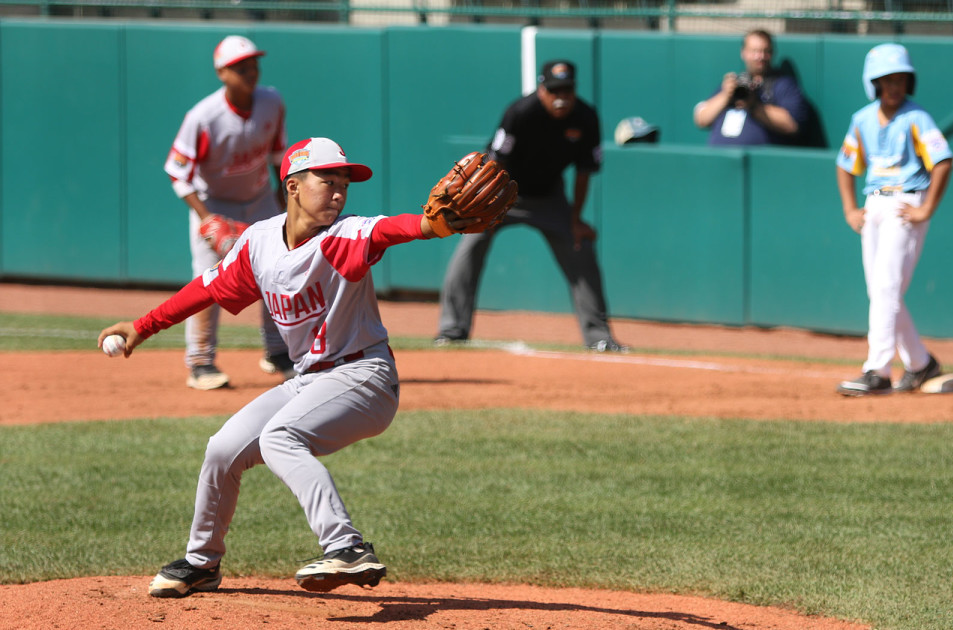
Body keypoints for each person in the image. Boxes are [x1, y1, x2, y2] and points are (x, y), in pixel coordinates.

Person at [99, 137, 481, 597]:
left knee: (280, 437)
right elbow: (206, 288)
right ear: (293, 186)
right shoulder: (258, 242)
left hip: (365, 379)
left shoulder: (345, 236)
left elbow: (391, 230)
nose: (339, 192)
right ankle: (202, 563)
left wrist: (430, 225)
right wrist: (142, 325)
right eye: (328, 180)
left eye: (344, 183)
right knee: (223, 449)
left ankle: (347, 547)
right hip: (309, 380)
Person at [435, 60, 627, 352]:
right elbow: (495, 162)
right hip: (502, 194)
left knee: (580, 248)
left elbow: (585, 171)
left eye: (566, 90)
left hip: (550, 197)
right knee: (469, 247)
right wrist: (483, 205)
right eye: (554, 90)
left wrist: (576, 219)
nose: (560, 97)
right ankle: (451, 331)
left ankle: (599, 336)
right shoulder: (520, 113)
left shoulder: (586, 117)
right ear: (541, 89)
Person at [164, 34, 291, 390]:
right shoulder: (203, 117)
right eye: (239, 66)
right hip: (214, 203)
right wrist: (206, 219)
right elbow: (177, 173)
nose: (249, 71)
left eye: (252, 63)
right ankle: (201, 363)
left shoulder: (272, 102)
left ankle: (278, 353)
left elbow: (278, 158)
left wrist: (286, 211)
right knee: (208, 282)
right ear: (221, 72)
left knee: (279, 271)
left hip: (261, 200)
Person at [833, 43, 953, 396]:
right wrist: (849, 209)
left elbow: (943, 160)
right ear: (873, 84)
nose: (894, 86)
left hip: (905, 203)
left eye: (900, 78)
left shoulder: (916, 117)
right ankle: (920, 363)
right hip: (874, 204)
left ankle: (877, 370)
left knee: (886, 287)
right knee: (881, 291)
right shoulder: (863, 119)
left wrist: (926, 208)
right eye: (886, 80)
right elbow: (845, 164)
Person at [693, 29, 809, 147]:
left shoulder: (782, 84)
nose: (760, 56)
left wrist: (754, 105)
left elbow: (792, 125)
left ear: (772, 53)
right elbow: (701, 118)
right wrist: (726, 95)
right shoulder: (735, 83)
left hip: (760, 161)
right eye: (754, 51)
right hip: (718, 158)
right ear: (744, 52)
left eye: (765, 51)